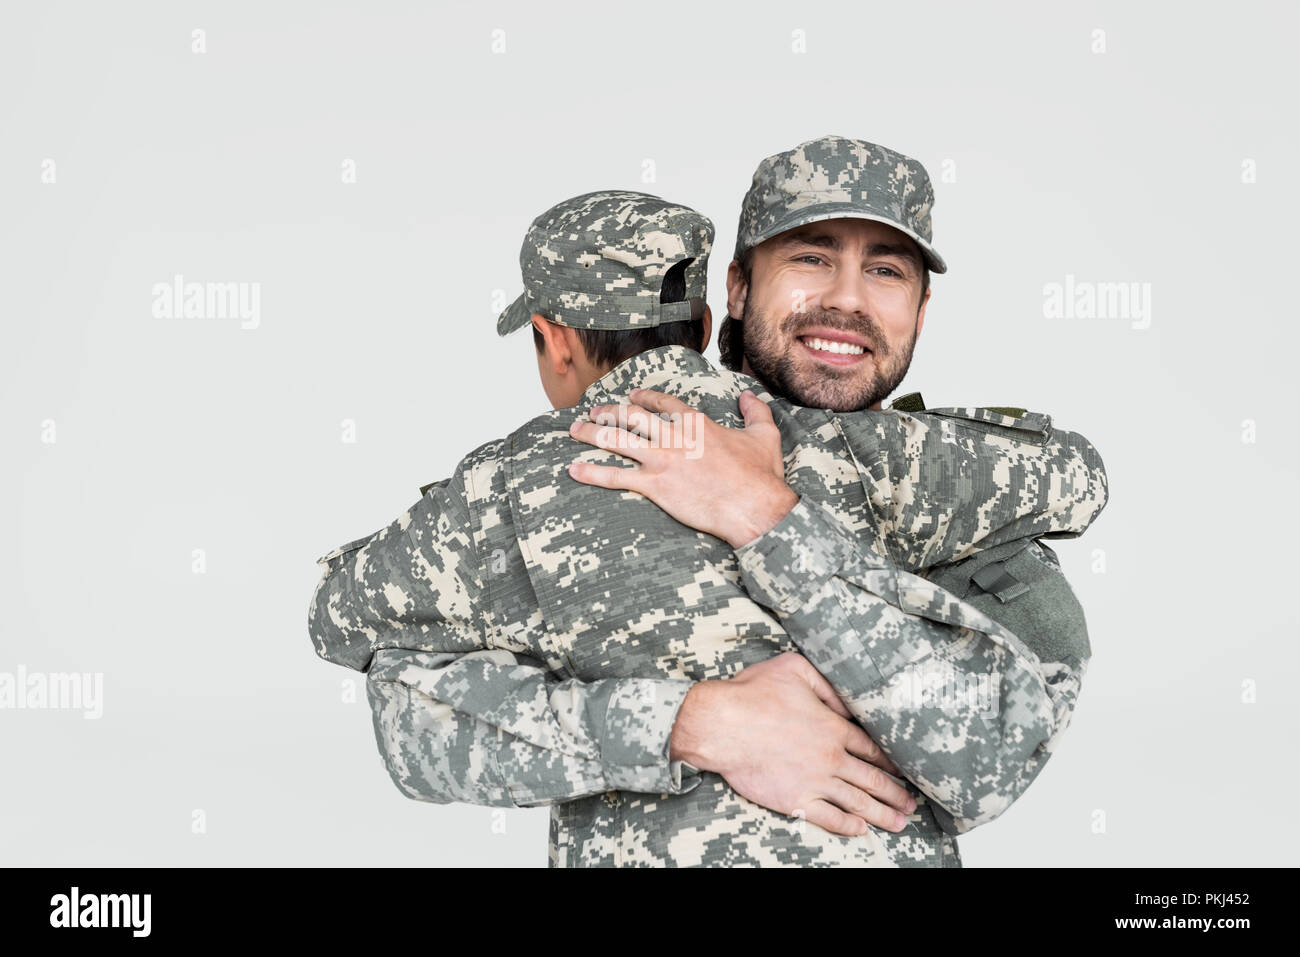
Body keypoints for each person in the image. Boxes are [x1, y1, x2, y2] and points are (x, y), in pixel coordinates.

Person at [308, 184, 1108, 866]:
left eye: (885, 269)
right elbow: (1075, 476)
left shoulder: (509, 485)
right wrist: (693, 721)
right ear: (716, 306)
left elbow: (340, 619)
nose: (846, 299)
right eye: (811, 258)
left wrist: (765, 515)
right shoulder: (884, 457)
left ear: (551, 340)